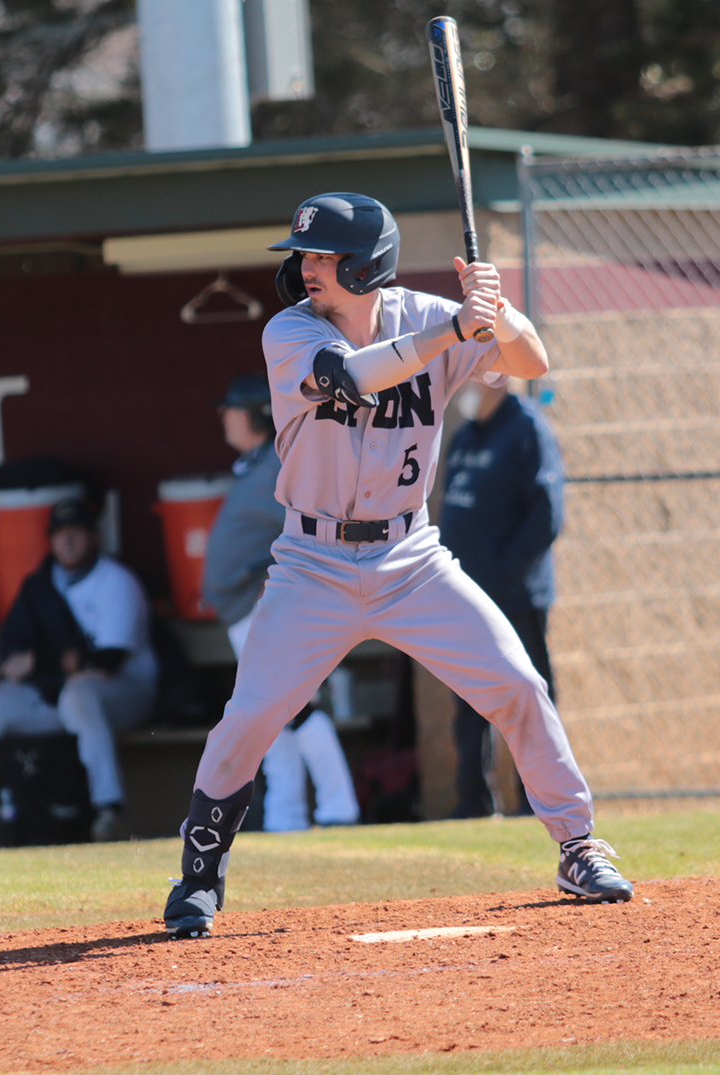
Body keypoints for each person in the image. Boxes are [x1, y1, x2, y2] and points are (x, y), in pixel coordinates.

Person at [161, 192, 632, 939]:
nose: (309, 268)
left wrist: (498, 313)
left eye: (324, 256)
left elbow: (531, 362)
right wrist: (455, 328)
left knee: (517, 686)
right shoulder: (291, 331)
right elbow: (349, 377)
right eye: (306, 256)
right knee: (249, 719)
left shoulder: (430, 314)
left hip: (410, 557)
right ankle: (198, 876)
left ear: (366, 264)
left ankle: (577, 846)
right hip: (312, 562)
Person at [0, 497, 156, 848]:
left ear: (94, 537)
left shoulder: (115, 581)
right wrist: (60, 663)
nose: (68, 541)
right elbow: (14, 655)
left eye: (77, 532)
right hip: (57, 693)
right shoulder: (39, 586)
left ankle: (107, 811)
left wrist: (39, 662)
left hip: (127, 692)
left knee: (79, 695)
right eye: (60, 533)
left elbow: (107, 662)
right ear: (50, 540)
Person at [203, 373, 360, 832]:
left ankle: (339, 809)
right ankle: (286, 818)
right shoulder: (261, 463)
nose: (224, 416)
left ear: (255, 415)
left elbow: (313, 530)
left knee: (295, 710)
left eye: (232, 408)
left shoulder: (279, 464)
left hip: (264, 609)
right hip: (246, 611)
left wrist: (276, 581)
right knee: (272, 720)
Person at [440, 375, 564, 818]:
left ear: (496, 376)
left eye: (473, 373)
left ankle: (540, 802)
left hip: (515, 597)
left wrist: (504, 569)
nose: (464, 383)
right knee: (469, 702)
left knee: (528, 699)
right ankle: (473, 802)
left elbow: (546, 515)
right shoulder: (464, 436)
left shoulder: (526, 428)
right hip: (466, 597)